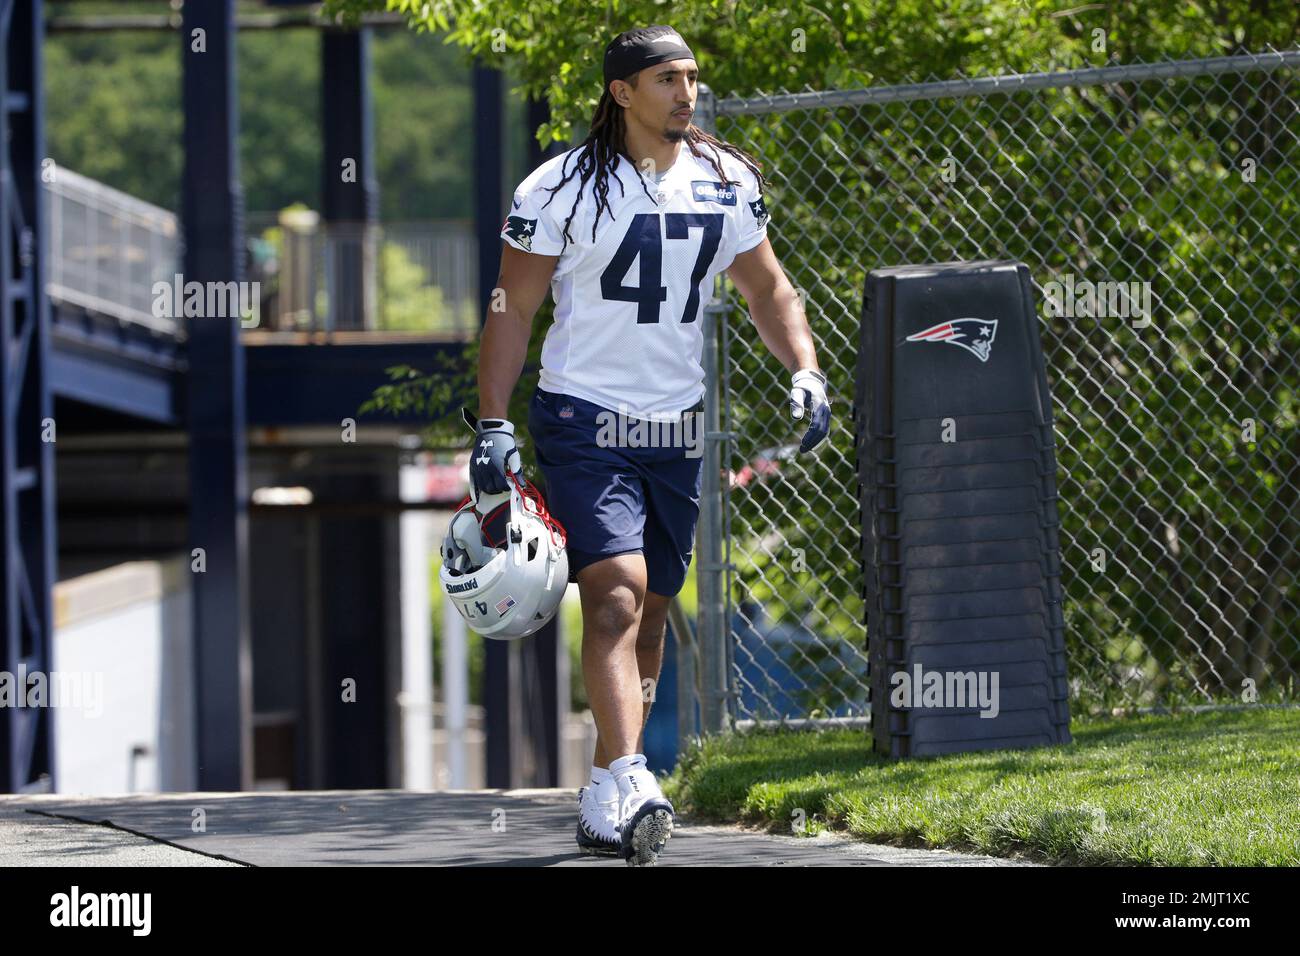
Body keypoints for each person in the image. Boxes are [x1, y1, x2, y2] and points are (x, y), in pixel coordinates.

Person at [471, 24, 831, 866]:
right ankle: (633, 772)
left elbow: (768, 288)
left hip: (677, 427)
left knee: (655, 610)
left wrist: (807, 370)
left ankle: (605, 788)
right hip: (585, 419)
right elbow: (511, 308)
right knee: (618, 598)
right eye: (666, 78)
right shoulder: (559, 186)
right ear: (621, 91)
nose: (686, 92)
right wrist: (492, 421)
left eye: (692, 77)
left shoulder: (725, 180)